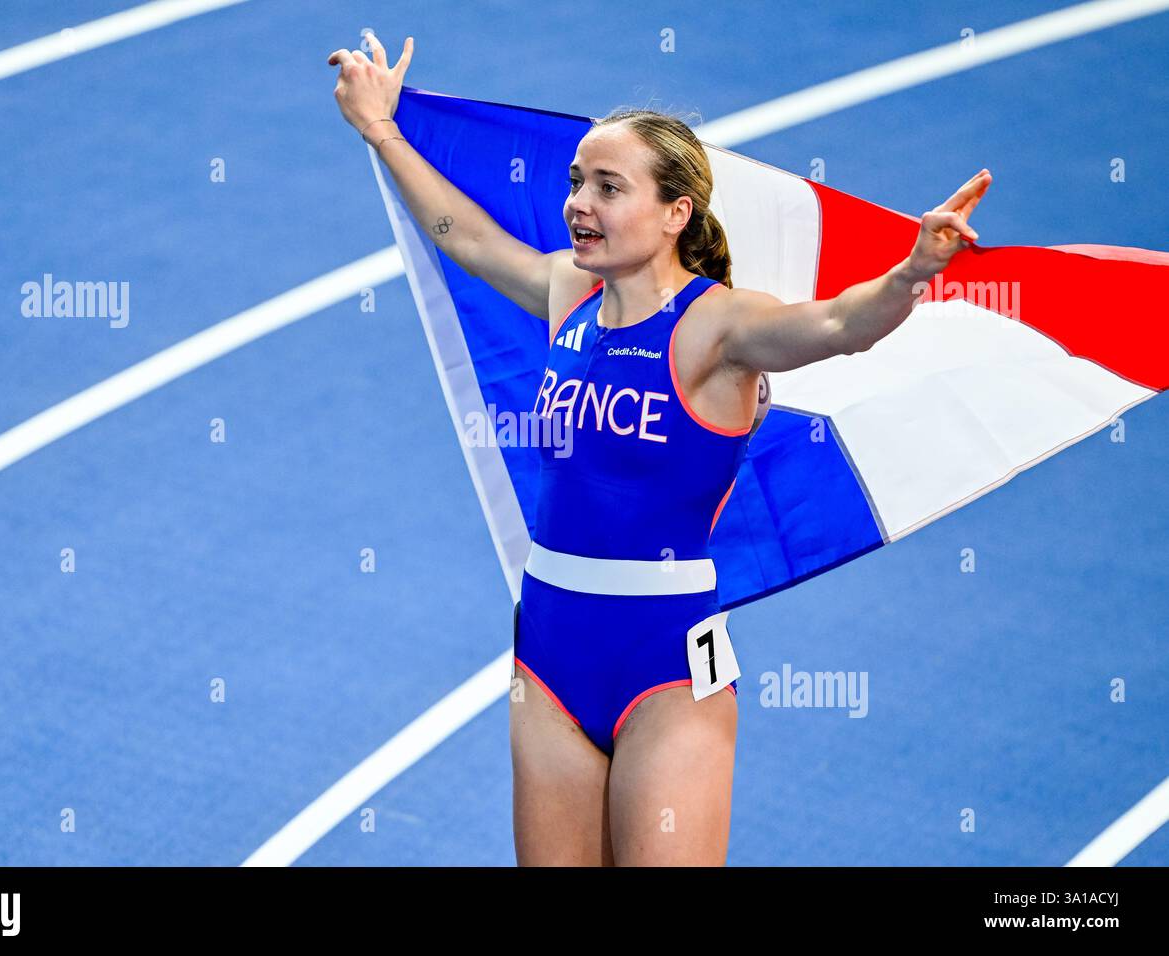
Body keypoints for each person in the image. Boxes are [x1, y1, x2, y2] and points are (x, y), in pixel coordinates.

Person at [327, 31, 990, 866]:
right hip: (548, 656)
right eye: (575, 183)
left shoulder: (720, 324)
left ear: (676, 212)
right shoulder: (571, 292)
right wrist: (381, 130)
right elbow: (466, 238)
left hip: (668, 669)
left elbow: (836, 326)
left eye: (608, 187)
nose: (578, 204)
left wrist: (909, 273)